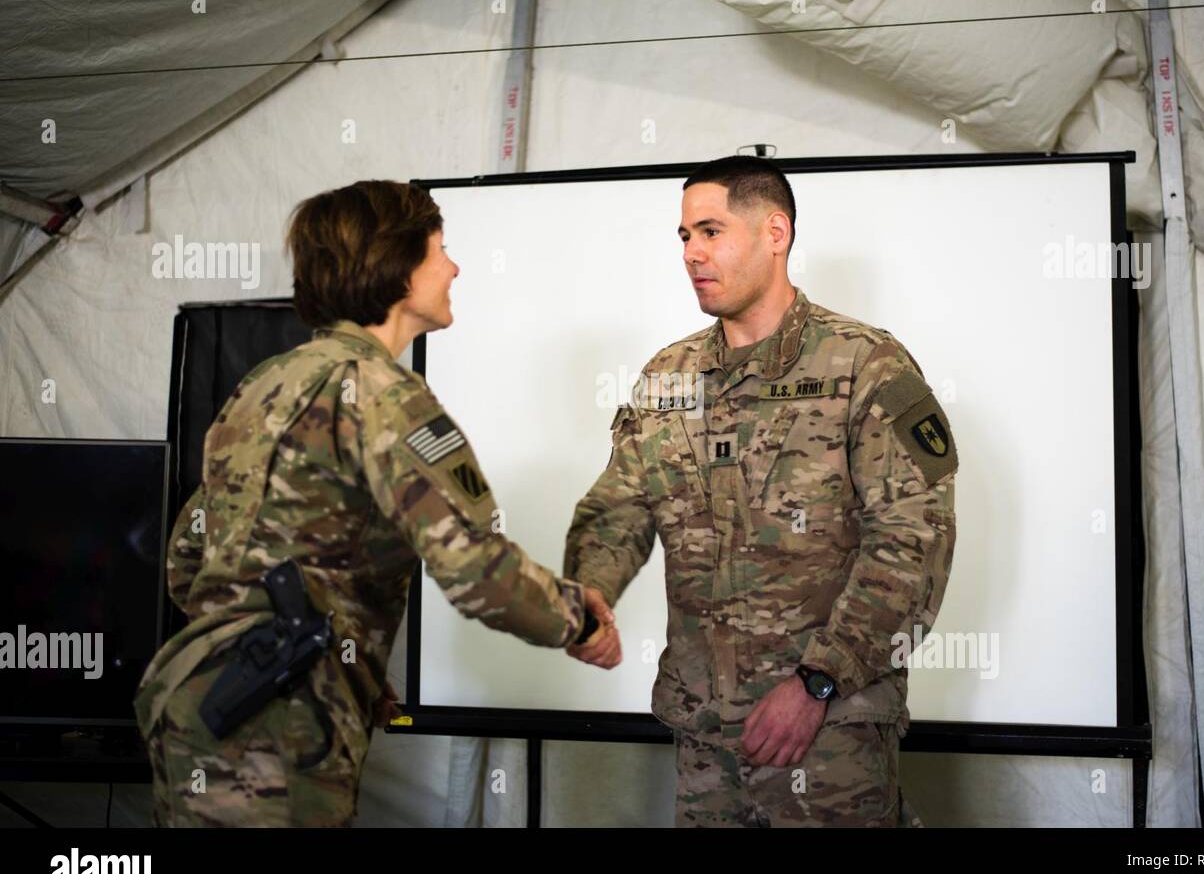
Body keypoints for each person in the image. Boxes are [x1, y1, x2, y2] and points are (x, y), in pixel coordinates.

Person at [135, 179, 615, 827]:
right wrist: (578, 618)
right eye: (440, 248)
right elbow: (476, 572)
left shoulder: (262, 387)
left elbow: (187, 561)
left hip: (200, 706)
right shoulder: (383, 394)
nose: (454, 267)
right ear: (397, 263)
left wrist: (329, 651)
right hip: (279, 727)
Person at [565, 155, 958, 827]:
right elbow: (622, 506)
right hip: (704, 735)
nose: (692, 252)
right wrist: (590, 588)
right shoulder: (669, 375)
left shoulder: (866, 364)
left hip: (828, 735)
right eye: (684, 236)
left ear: (775, 233)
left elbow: (912, 544)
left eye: (710, 231)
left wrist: (818, 681)